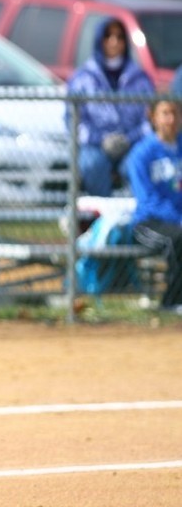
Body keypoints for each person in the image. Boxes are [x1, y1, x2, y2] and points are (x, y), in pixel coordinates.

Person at [66, 17, 154, 197]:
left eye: (119, 37)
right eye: (108, 36)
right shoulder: (84, 78)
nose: (114, 42)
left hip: (132, 143)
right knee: (93, 165)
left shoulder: (139, 78)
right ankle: (103, 210)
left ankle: (136, 212)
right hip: (94, 145)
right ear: (100, 39)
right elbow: (73, 120)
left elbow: (149, 119)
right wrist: (102, 140)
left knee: (138, 163)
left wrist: (129, 139)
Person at [123, 97, 182, 312]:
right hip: (149, 223)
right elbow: (147, 200)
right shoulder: (141, 153)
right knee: (177, 239)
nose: (171, 119)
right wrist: (178, 219)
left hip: (178, 220)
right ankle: (172, 302)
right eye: (165, 113)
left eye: (175, 113)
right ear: (154, 118)